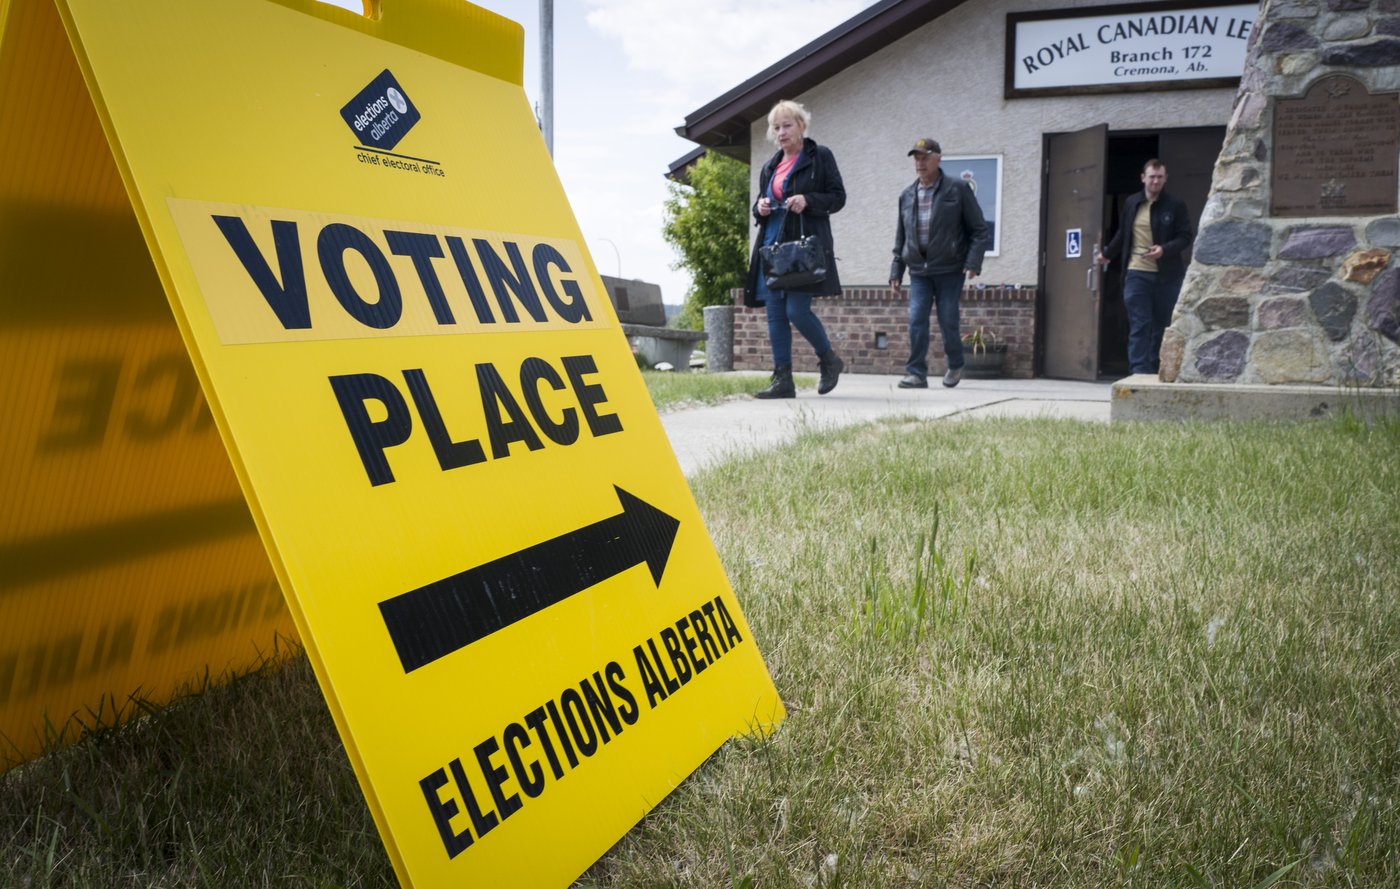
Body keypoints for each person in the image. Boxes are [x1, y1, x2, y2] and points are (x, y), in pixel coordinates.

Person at [742, 100, 845, 399]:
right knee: (775, 313)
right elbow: (761, 204)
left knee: (796, 310)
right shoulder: (769, 166)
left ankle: (829, 359)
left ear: (802, 126)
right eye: (776, 127)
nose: (782, 132)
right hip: (771, 244)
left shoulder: (820, 157)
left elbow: (838, 198)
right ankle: (783, 380)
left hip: (802, 245)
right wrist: (759, 207)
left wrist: (808, 200)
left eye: (787, 125)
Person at [889, 138, 989, 389]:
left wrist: (973, 261)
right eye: (917, 158)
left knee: (948, 319)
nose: (920, 163)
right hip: (919, 271)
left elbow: (979, 229)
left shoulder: (957, 189)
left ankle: (955, 364)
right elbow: (902, 236)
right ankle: (916, 373)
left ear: (938, 159)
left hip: (949, 269)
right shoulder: (907, 195)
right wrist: (896, 271)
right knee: (916, 319)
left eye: (925, 157)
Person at [1096, 159, 1193, 375]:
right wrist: (1107, 254)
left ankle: (1155, 370)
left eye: (1160, 177)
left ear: (1166, 178)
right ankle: (1138, 372)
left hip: (1166, 276)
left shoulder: (1175, 205)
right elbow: (1123, 234)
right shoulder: (1132, 203)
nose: (1156, 181)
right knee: (1140, 324)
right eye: (1152, 177)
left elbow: (1185, 237)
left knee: (1160, 326)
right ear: (1143, 178)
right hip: (1137, 273)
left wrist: (1164, 250)